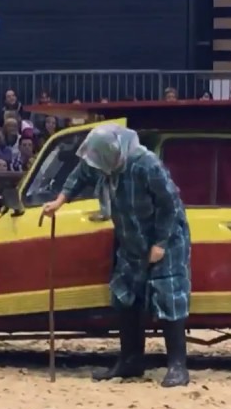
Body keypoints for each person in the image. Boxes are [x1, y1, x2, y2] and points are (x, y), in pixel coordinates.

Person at [42, 125, 192, 388]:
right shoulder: (103, 161)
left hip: (164, 239)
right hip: (131, 239)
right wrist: (60, 200)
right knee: (124, 295)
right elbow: (82, 172)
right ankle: (131, 361)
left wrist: (160, 243)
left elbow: (170, 204)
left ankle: (178, 366)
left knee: (169, 295)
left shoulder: (146, 165)